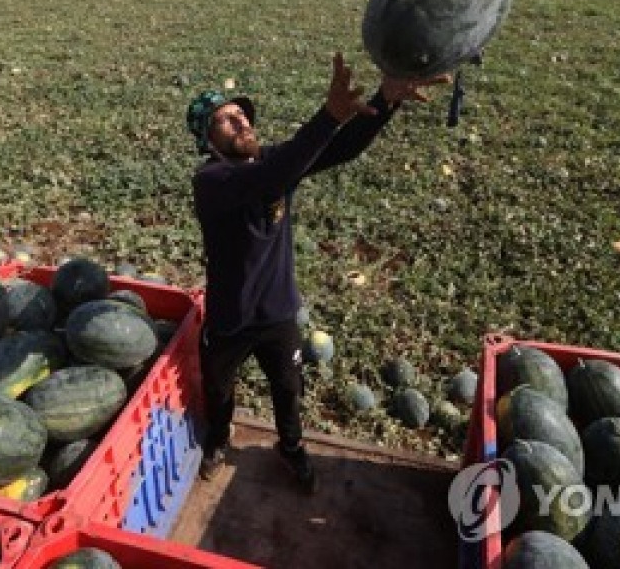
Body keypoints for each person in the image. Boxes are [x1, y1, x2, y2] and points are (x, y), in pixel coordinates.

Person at [187, 52, 449, 493]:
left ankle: (290, 447)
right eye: (225, 121)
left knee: (289, 390)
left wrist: (385, 100)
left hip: (278, 311)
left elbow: (337, 149)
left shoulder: (272, 163)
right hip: (229, 317)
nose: (240, 123)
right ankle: (217, 440)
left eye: (241, 115)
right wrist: (328, 115)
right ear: (208, 141)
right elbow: (276, 173)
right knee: (219, 392)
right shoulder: (211, 181)